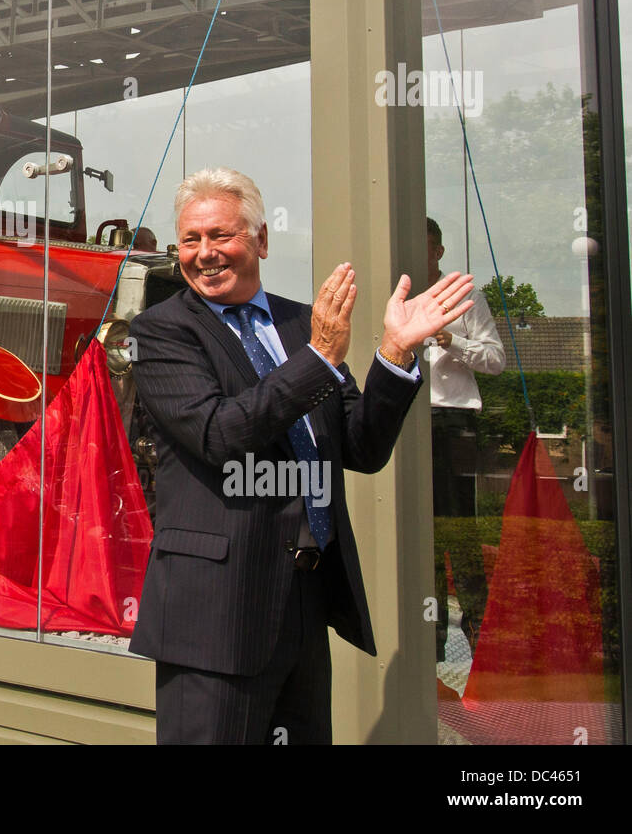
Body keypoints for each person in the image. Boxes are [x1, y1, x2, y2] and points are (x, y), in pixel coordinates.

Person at [127, 168, 474, 744]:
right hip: (215, 613)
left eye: (222, 236)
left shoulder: (300, 323)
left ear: (261, 241)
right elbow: (220, 434)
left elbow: (360, 448)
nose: (205, 253)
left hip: (304, 602)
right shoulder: (162, 332)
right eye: (191, 239)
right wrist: (318, 356)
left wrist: (394, 353)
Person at [426, 216, 505, 514]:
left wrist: (452, 341)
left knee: (456, 508)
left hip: (452, 415)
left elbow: (496, 360)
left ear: (439, 252)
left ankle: (462, 561)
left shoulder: (467, 298)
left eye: (423, 247)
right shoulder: (398, 297)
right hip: (405, 415)